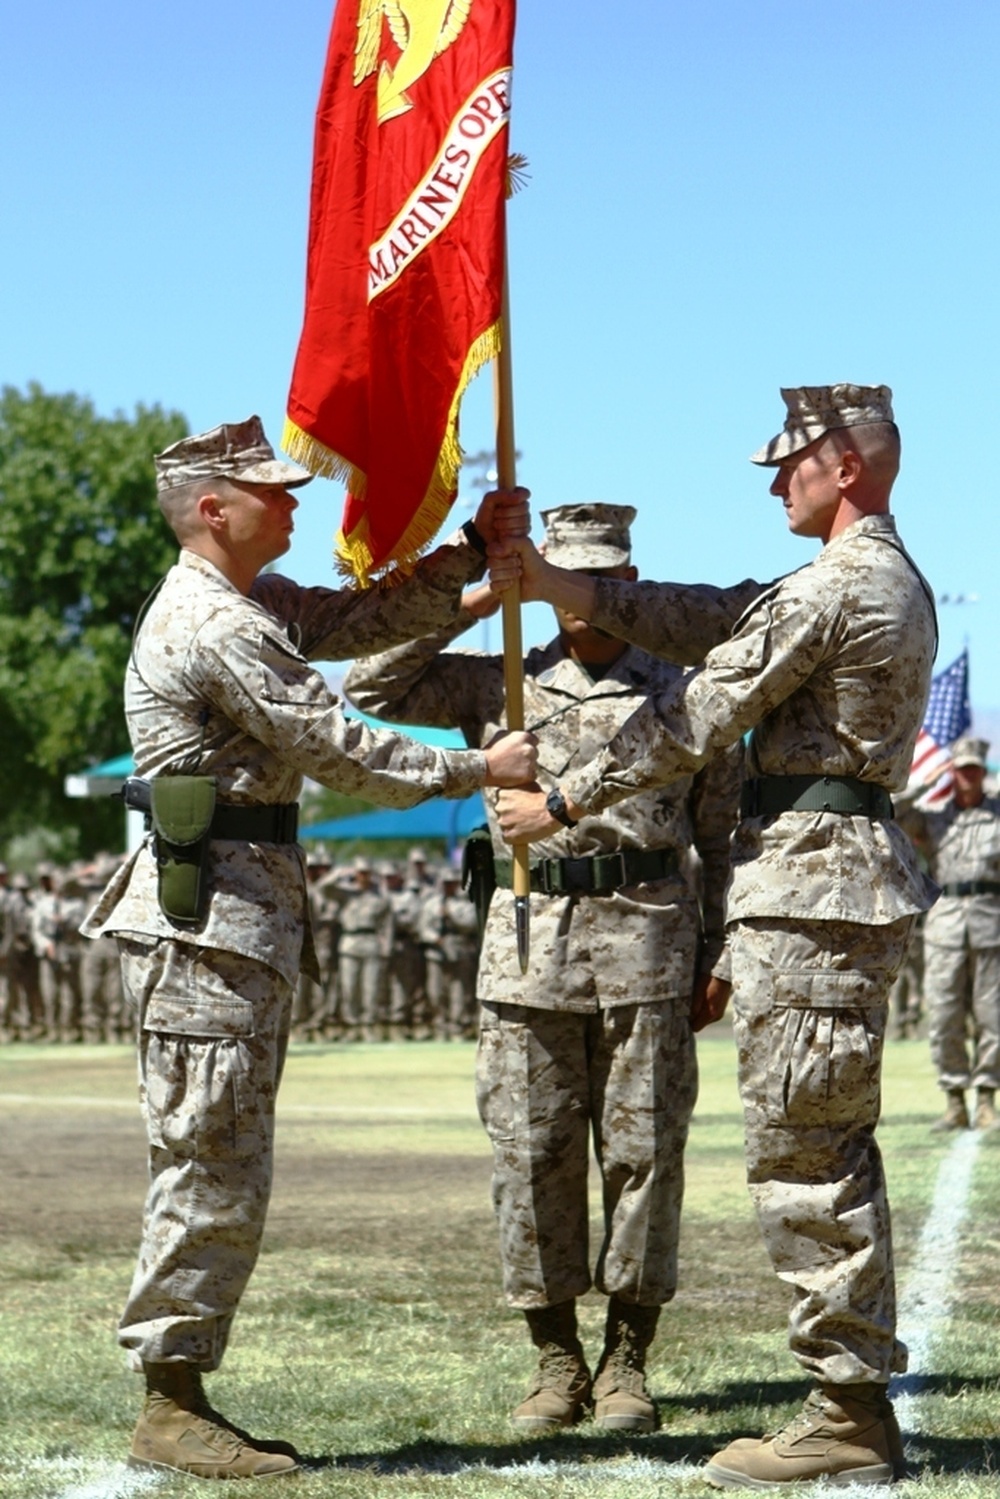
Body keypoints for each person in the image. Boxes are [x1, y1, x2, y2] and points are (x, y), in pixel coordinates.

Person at [490, 387, 939, 1488]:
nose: (775, 482)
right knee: (819, 1141)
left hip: (812, 892)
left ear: (840, 462)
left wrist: (564, 797)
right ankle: (846, 1397)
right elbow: (711, 614)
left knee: (807, 1153)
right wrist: (556, 584)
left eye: (787, 464)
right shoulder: (856, 578)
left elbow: (704, 705)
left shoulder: (841, 583)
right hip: (820, 888)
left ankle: (844, 1410)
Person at [80, 415, 536, 1479]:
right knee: (209, 1159)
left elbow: (353, 620)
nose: (294, 506)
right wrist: (482, 768)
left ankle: (180, 1387)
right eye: (272, 493)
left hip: (240, 917)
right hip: (210, 925)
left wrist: (470, 555)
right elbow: (338, 744)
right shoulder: (213, 621)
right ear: (211, 508)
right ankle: (169, 1397)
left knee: (225, 1158)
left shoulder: (248, 600)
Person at [345, 503, 741, 1434]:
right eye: (565, 576)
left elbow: (724, 833)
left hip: (648, 939)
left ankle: (627, 1360)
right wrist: (479, 596)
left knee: (644, 1157)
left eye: (601, 576)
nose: (582, 602)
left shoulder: (682, 686)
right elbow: (371, 682)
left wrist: (720, 950)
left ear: (628, 576)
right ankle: (555, 1357)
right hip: (527, 944)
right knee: (529, 1156)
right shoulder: (502, 684)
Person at [896, 736, 1000, 1130]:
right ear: (952, 772)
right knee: (944, 1017)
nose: (969, 777)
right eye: (962, 769)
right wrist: (927, 780)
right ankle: (955, 1100)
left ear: (983, 772)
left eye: (975, 769)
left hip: (992, 924)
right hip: (945, 925)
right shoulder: (933, 814)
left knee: (992, 1017)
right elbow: (893, 812)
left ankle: (987, 1099)